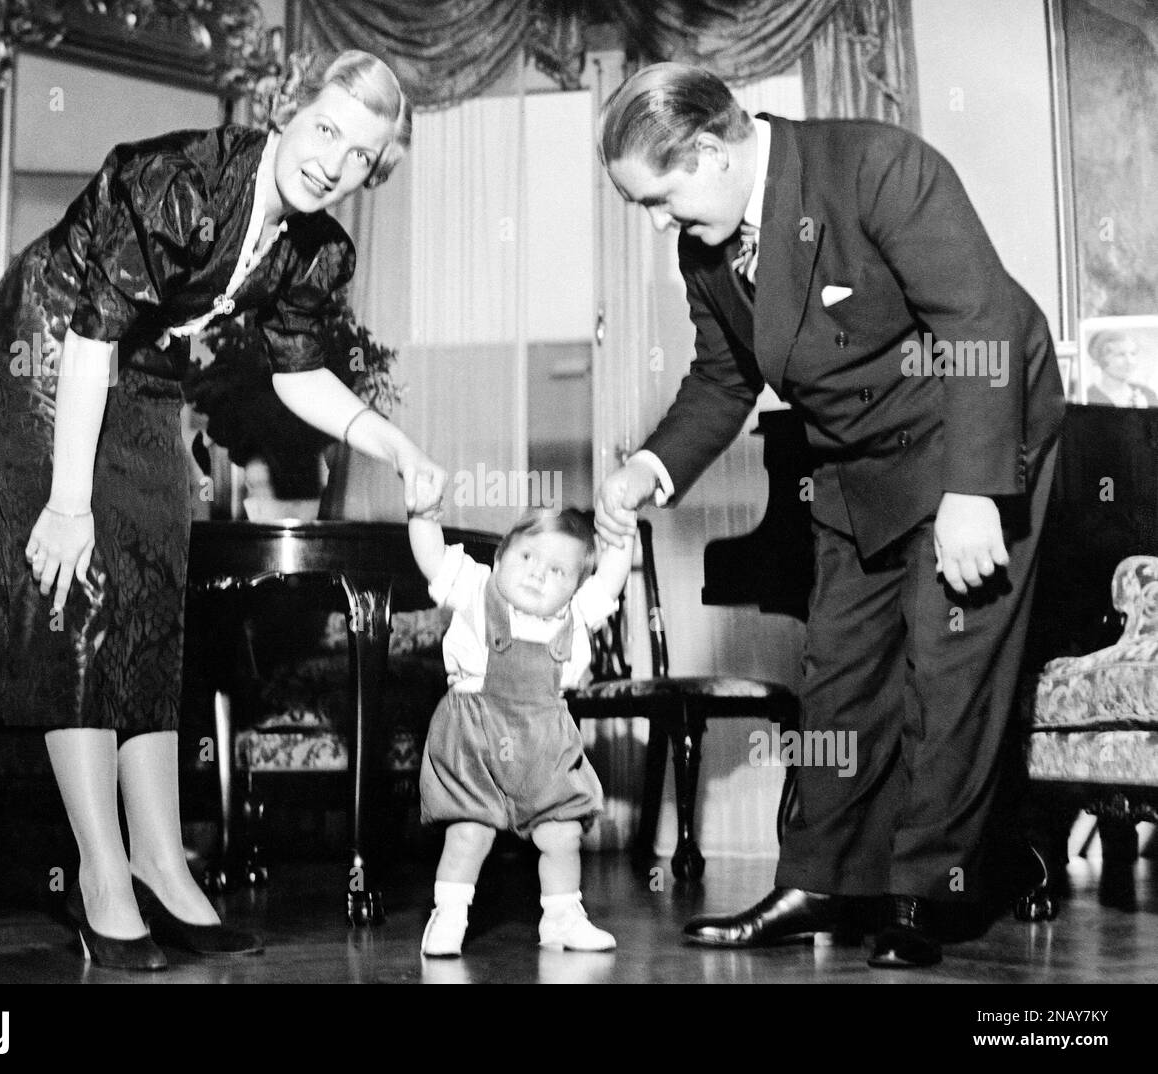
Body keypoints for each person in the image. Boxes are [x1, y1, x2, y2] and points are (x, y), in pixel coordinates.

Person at [0, 50, 446, 971]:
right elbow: (91, 338)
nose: (332, 162)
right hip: (52, 344)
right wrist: (67, 503)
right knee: (81, 589)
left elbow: (299, 373)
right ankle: (102, 881)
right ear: (287, 112)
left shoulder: (317, 248)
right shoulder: (179, 179)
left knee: (150, 590)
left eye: (359, 156)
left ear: (372, 172)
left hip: (139, 364)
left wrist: (398, 447)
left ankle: (161, 862)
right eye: (326, 130)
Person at [594, 63, 1065, 968]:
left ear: (709, 151)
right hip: (853, 455)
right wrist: (651, 466)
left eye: (661, 199)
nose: (659, 225)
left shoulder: (878, 167)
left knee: (947, 666)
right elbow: (725, 377)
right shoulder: (707, 242)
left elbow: (982, 322)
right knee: (840, 668)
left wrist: (975, 493)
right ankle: (824, 882)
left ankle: (930, 895)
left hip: (973, 425)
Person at [408, 506, 633, 957]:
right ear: (500, 557)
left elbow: (609, 583)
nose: (538, 575)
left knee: (562, 834)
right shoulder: (476, 590)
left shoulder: (571, 617)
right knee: (471, 832)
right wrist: (423, 513)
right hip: (475, 737)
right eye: (528, 557)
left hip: (544, 741)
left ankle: (563, 917)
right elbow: (433, 558)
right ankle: (450, 913)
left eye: (557, 571)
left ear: (572, 587)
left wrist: (622, 532)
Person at [1085, 330, 1157, 407]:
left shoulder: (1147, 394)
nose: (1130, 361)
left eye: (1133, 354)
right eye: (1121, 355)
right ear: (1101, 359)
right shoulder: (1088, 396)